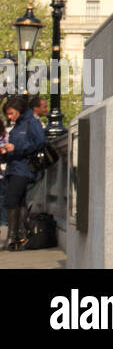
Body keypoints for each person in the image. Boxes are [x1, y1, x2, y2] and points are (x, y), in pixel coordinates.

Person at [0, 95, 45, 251]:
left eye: (11, 113)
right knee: (18, 201)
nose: (9, 117)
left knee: (11, 199)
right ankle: (19, 237)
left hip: (24, 168)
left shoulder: (31, 122)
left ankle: (13, 236)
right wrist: (5, 152)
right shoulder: (18, 125)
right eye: (7, 114)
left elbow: (39, 142)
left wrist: (18, 148)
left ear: (19, 110)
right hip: (13, 167)